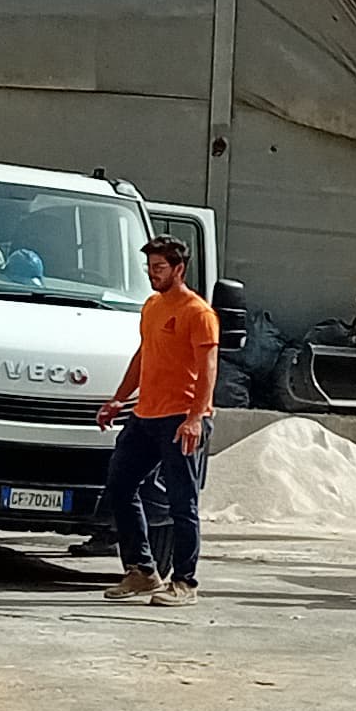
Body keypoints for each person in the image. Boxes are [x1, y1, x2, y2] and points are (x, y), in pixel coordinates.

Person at [98, 234, 216, 603]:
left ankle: (185, 582)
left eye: (159, 268)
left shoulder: (199, 313)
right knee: (119, 486)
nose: (152, 274)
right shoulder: (152, 306)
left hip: (180, 419)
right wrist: (118, 399)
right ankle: (142, 571)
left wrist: (195, 417)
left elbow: (209, 367)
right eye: (149, 268)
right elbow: (142, 356)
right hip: (144, 416)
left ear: (179, 269)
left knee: (183, 502)